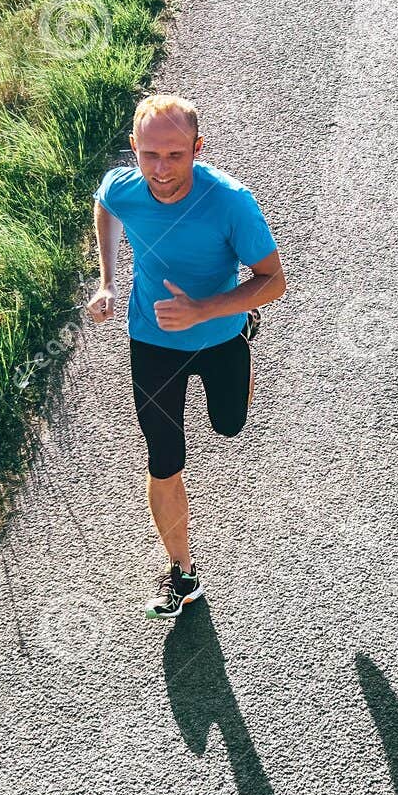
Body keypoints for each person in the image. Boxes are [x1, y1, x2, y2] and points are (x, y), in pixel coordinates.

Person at [87, 93, 287, 617]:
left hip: (219, 334)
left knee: (228, 426)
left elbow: (273, 281)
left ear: (198, 148)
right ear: (133, 148)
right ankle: (182, 572)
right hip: (153, 341)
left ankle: (245, 331)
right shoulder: (124, 187)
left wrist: (205, 310)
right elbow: (104, 205)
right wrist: (108, 281)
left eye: (176, 155)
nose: (160, 169)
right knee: (164, 458)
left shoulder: (231, 203)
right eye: (149, 155)